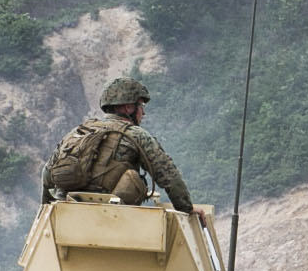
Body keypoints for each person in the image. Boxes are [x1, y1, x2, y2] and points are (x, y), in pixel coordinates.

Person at [42, 77, 195, 209]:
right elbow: (168, 174)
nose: (144, 113)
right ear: (129, 107)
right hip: (110, 218)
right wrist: (187, 208)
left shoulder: (78, 132)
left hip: (65, 213)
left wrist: (47, 209)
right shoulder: (136, 135)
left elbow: (47, 176)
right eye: (141, 106)